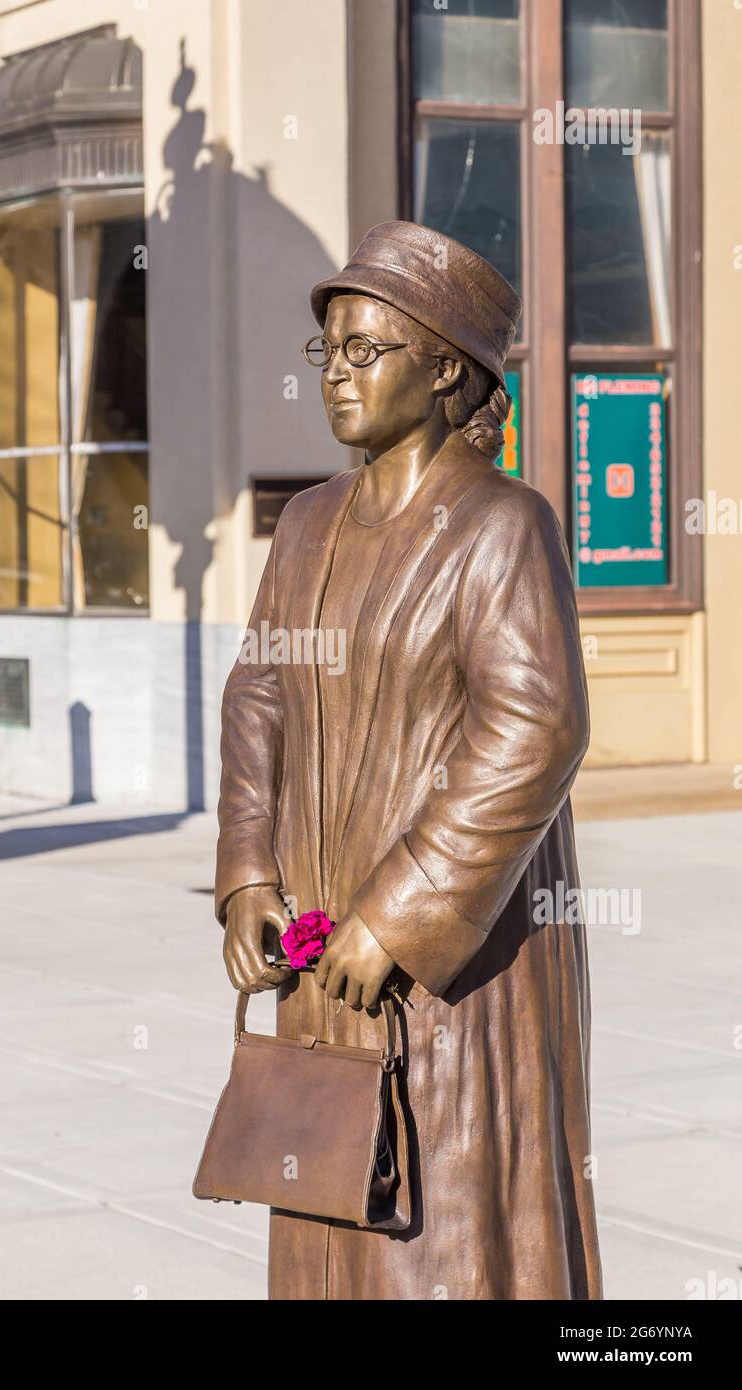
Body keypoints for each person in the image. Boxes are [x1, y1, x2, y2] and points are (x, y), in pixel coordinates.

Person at [215, 220, 602, 1300]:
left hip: (452, 974)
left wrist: (397, 913)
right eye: (327, 351)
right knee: (325, 1214)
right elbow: (259, 695)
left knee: (442, 1236)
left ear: (443, 368)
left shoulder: (501, 526)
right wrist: (248, 867)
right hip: (320, 958)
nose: (337, 372)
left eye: (365, 349)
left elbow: (536, 727)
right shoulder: (306, 525)